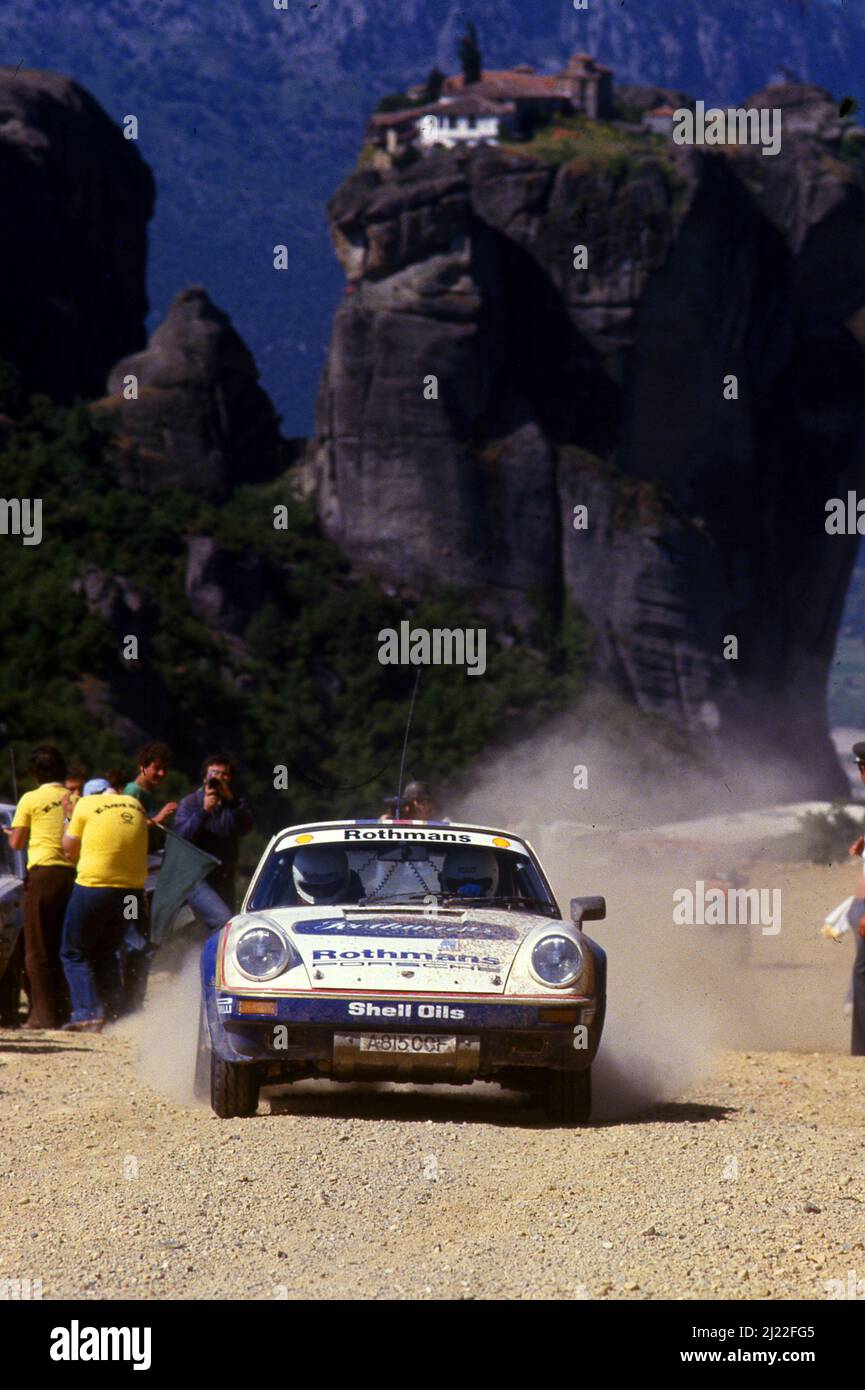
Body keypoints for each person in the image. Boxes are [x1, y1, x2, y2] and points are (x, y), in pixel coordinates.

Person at [59, 783, 149, 1031]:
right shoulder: (137, 806)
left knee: (73, 951)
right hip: (131, 894)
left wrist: (68, 815)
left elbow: (67, 850)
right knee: (109, 949)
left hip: (95, 889)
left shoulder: (86, 805)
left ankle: (87, 1013)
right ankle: (117, 1011)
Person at [6, 745, 75, 1028]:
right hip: (73, 876)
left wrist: (12, 834)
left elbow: (17, 843)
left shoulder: (31, 799)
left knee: (36, 948)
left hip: (43, 874)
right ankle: (68, 1009)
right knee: (64, 945)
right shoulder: (75, 798)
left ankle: (43, 1016)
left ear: (35, 773)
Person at [174, 754, 253, 927]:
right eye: (213, 773)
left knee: (225, 927)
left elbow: (246, 827)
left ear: (229, 778)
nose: (218, 778)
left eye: (223, 774)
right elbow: (181, 837)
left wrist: (231, 801)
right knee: (223, 920)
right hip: (196, 876)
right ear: (204, 778)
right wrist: (203, 812)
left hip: (224, 875)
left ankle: (204, 953)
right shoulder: (190, 803)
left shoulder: (235, 804)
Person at [123, 743, 177, 827]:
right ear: (143, 767)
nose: (162, 773)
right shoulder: (133, 790)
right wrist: (159, 818)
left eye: (165, 769)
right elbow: (127, 825)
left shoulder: (150, 793)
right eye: (157, 768)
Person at [292, 845, 362, 905]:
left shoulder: (356, 897)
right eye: (314, 888)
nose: (321, 892)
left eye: (330, 887)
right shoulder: (286, 904)